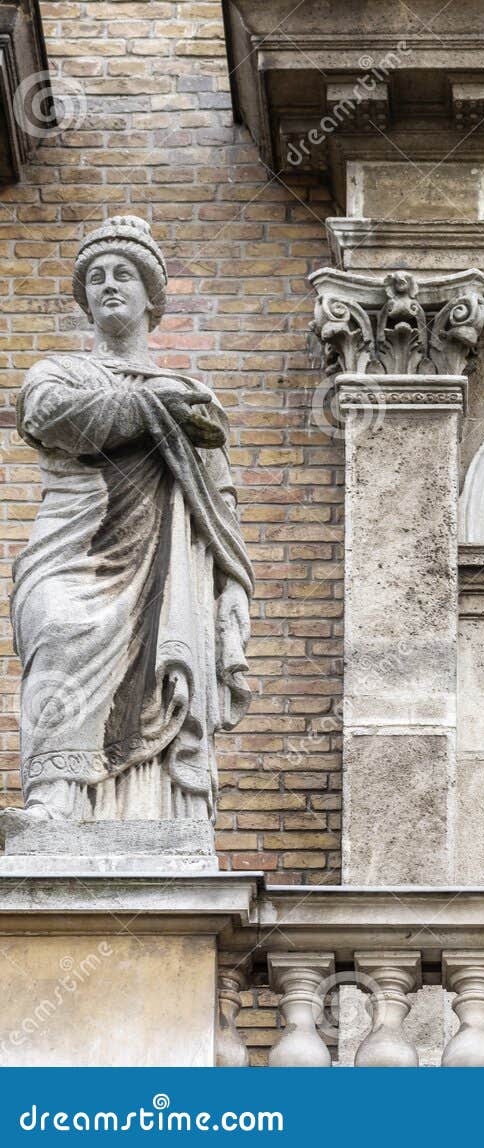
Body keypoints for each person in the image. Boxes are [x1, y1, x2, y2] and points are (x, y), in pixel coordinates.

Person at [1, 215, 251, 834]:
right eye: (97, 277)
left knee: (163, 672)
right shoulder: (58, 374)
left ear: (151, 296)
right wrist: (149, 406)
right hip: (73, 554)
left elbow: (219, 504)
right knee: (58, 631)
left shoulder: (187, 393)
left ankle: (156, 804)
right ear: (84, 298)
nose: (109, 285)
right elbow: (55, 418)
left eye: (125, 274)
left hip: (165, 567)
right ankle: (55, 795)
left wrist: (232, 595)